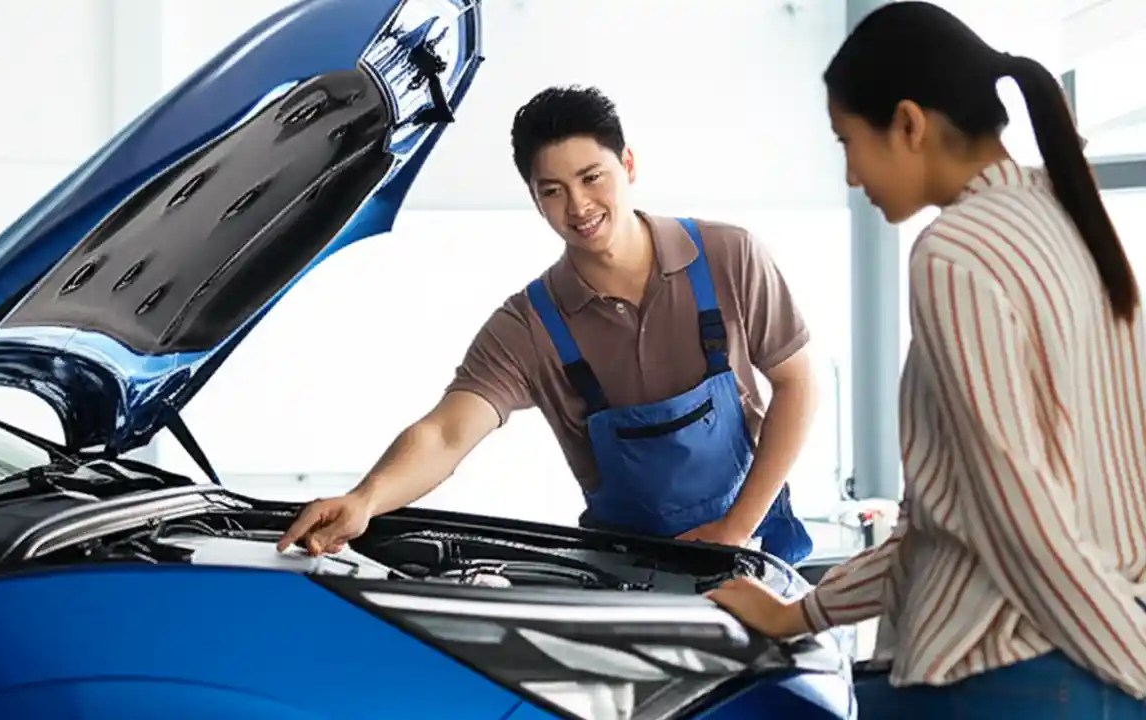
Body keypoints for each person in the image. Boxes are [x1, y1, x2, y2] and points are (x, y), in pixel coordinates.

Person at [706, 2, 1146, 718]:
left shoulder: (954, 253)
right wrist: (806, 611)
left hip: (1008, 676)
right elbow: (956, 521)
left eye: (847, 141)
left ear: (909, 123)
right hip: (1090, 657)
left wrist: (1137, 662)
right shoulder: (1069, 219)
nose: (850, 174)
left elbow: (1020, 519)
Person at [277, 86, 819, 565]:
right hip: (628, 571)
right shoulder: (529, 325)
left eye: (591, 177)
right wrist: (365, 500)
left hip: (756, 541)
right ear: (535, 201)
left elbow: (798, 384)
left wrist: (735, 530)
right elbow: (445, 432)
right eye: (553, 190)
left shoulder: (729, 255)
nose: (578, 205)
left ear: (627, 165)